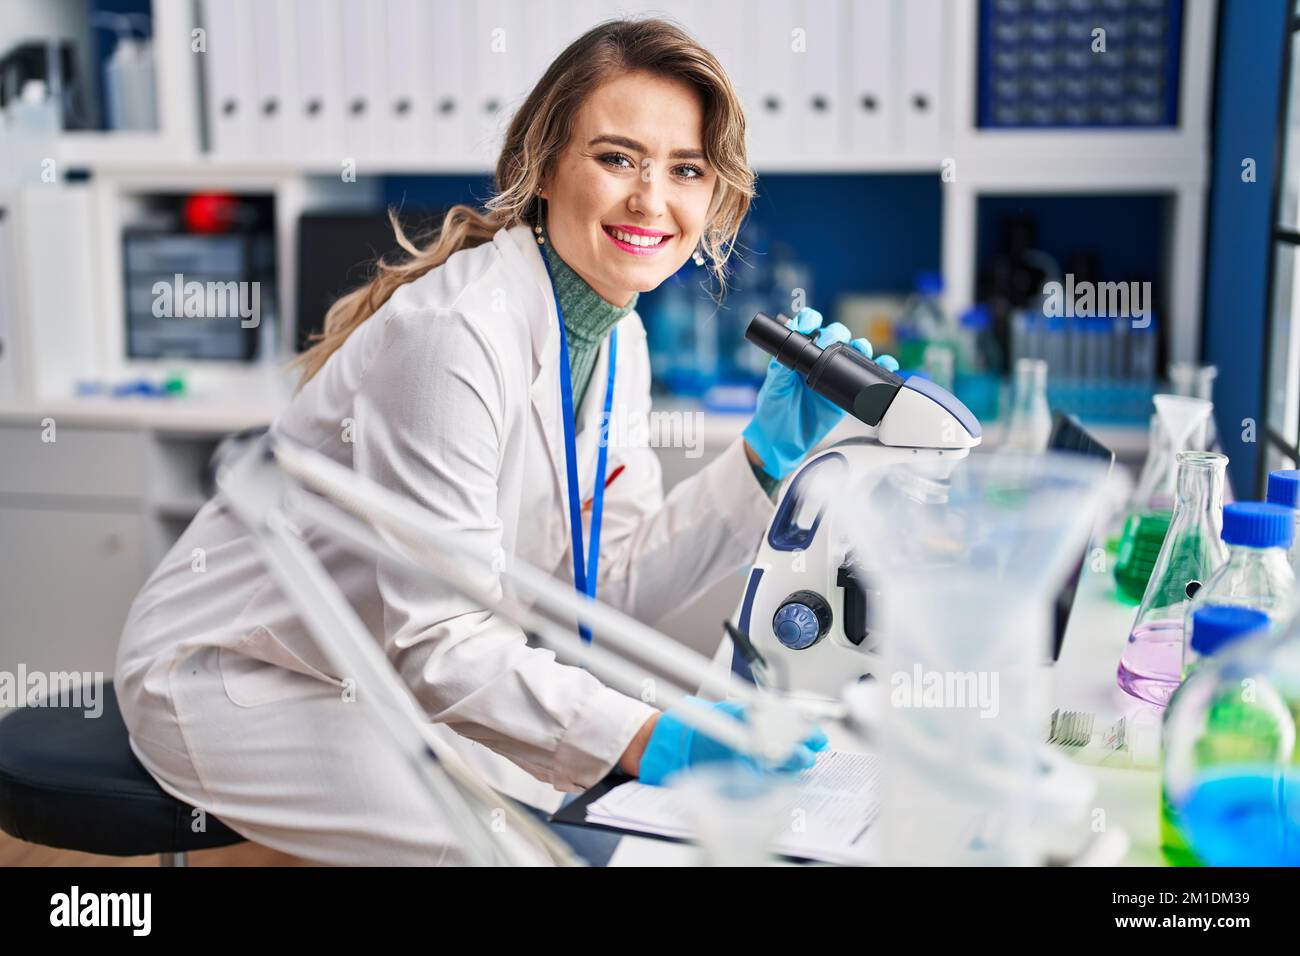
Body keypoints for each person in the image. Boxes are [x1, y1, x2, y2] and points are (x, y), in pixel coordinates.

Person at [114, 17, 888, 865]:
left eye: (686, 170)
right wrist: (656, 739)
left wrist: (760, 458)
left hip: (382, 662)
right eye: (617, 157)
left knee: (562, 824)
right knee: (506, 848)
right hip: (240, 672)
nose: (650, 199)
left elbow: (607, 585)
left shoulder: (614, 336)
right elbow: (442, 640)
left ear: (714, 199)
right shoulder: (456, 333)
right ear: (546, 163)